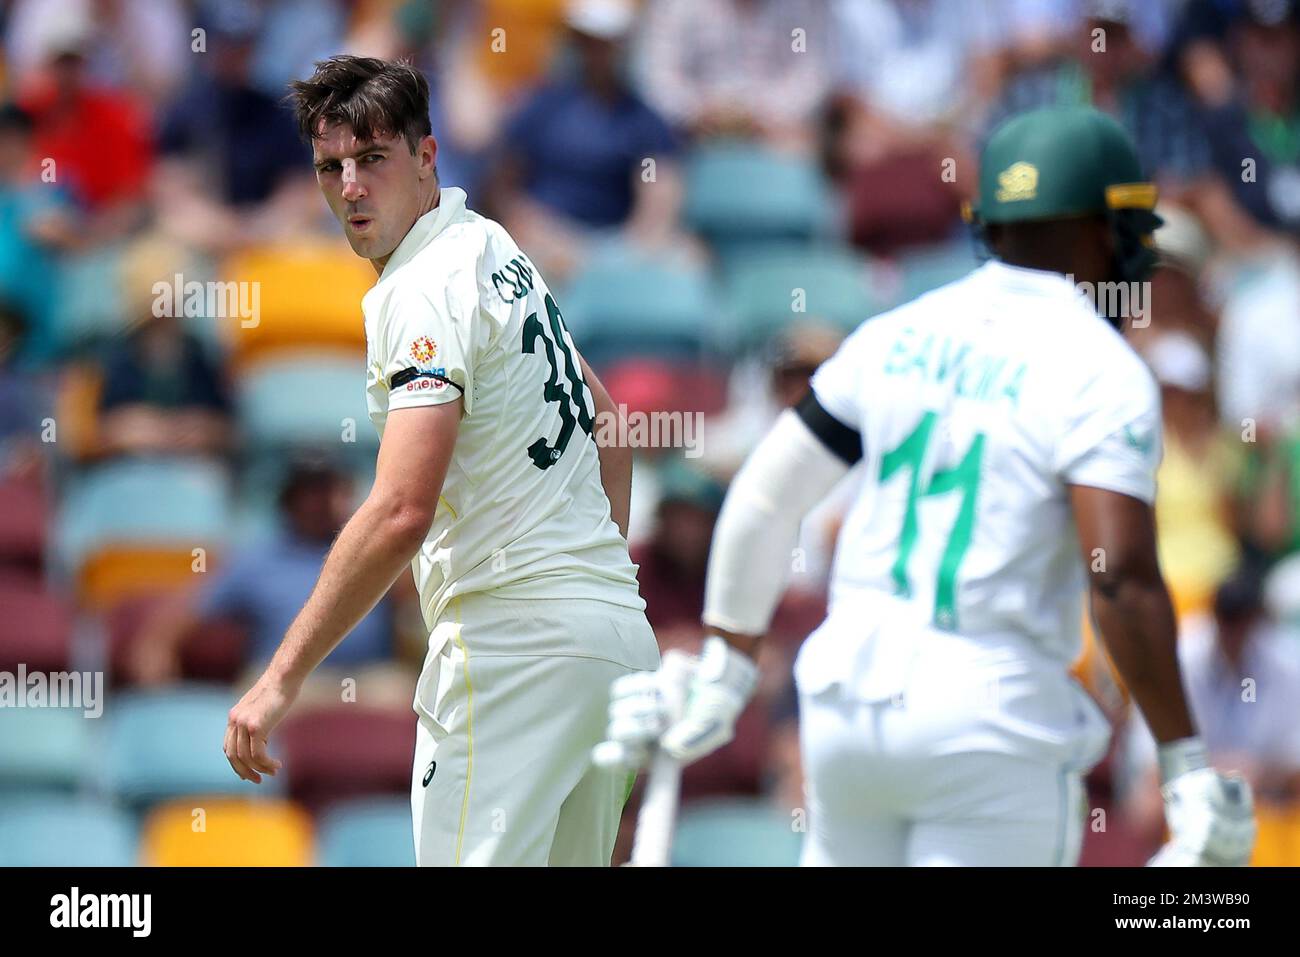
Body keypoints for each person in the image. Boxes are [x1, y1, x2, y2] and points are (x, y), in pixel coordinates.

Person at [601, 106, 1258, 866]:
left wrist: (728, 665)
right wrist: (1184, 763)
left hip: (849, 707)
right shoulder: (1100, 368)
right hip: (990, 719)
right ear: (1097, 223)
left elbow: (763, 496)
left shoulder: (896, 331)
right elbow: (1123, 581)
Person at [223, 55, 658, 867]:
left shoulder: (419, 287)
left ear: (427, 157)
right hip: (614, 648)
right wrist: (593, 588)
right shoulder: (492, 245)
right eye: (330, 167)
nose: (350, 187)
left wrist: (279, 677)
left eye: (373, 159)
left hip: (513, 653)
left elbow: (399, 511)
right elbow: (611, 423)